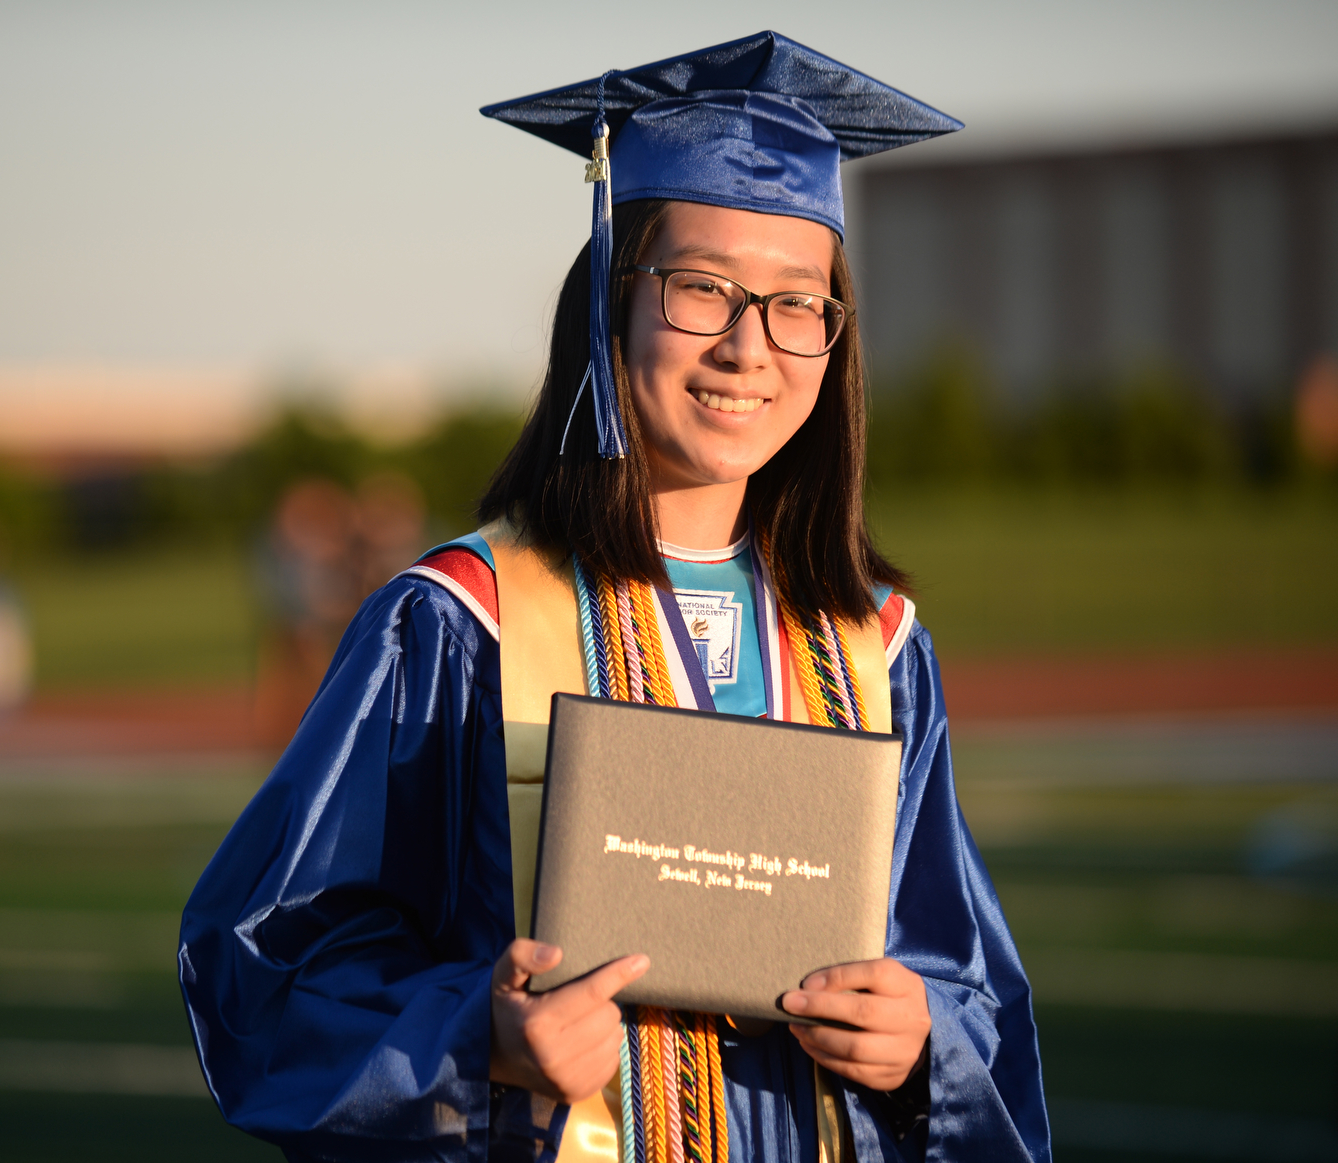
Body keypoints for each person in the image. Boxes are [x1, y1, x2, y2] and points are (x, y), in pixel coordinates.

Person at [180, 31, 1049, 1163]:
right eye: (702, 289)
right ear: (607, 303)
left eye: (798, 304)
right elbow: (271, 962)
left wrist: (925, 1039)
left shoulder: (874, 645)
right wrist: (477, 1034)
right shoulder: (458, 623)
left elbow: (963, 973)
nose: (749, 347)